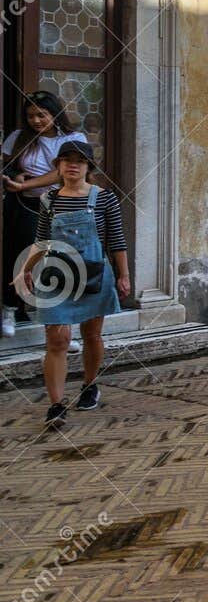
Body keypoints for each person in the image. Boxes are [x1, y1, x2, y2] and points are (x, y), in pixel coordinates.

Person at [15, 141, 129, 426]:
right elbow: (42, 240)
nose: (72, 165)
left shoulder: (105, 199)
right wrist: (25, 270)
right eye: (66, 160)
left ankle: (90, 385)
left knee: (92, 335)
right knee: (57, 340)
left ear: (89, 166)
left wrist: (123, 275)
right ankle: (56, 405)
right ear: (58, 165)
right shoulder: (49, 199)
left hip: (94, 275)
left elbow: (116, 240)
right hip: (57, 277)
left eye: (79, 160)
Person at [1, 91, 74, 338]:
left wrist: (25, 184)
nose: (36, 120)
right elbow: (6, 165)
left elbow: (62, 173)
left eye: (42, 115)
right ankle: (11, 307)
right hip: (25, 206)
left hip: (60, 207)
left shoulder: (72, 139)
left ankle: (58, 325)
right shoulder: (18, 138)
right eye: (31, 115)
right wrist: (13, 176)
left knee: (56, 262)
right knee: (21, 257)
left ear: (55, 114)